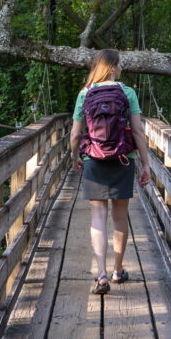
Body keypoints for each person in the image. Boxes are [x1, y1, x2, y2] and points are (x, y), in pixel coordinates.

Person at [70, 49, 152, 295]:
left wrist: (75, 157)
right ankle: (118, 270)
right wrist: (145, 163)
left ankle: (102, 274)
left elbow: (75, 134)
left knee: (98, 216)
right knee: (120, 216)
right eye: (121, 64)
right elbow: (137, 131)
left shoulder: (85, 93)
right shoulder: (128, 93)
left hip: (93, 160)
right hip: (123, 159)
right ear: (113, 67)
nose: (122, 68)